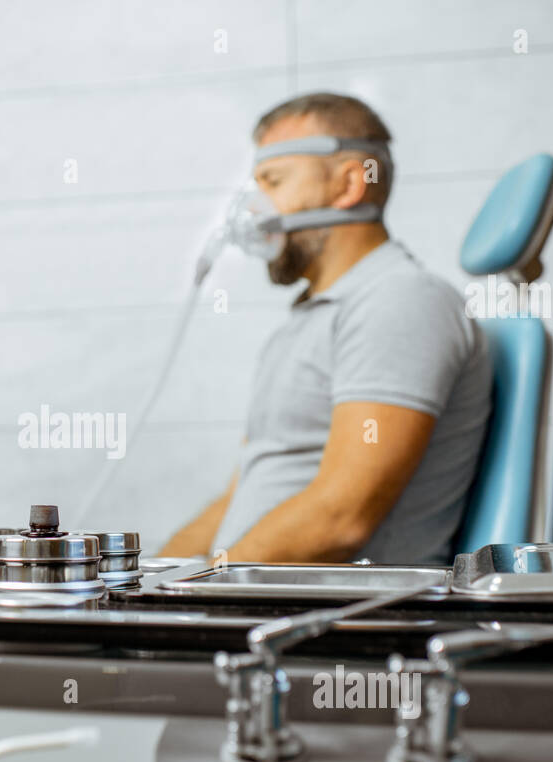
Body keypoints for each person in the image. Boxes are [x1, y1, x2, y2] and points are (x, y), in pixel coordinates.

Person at [161, 93, 491, 566]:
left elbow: (340, 518)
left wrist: (200, 589)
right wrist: (142, 581)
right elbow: (236, 500)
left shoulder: (400, 301)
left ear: (349, 185)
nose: (253, 210)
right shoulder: (311, 320)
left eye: (273, 181)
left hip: (334, 623)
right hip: (257, 604)